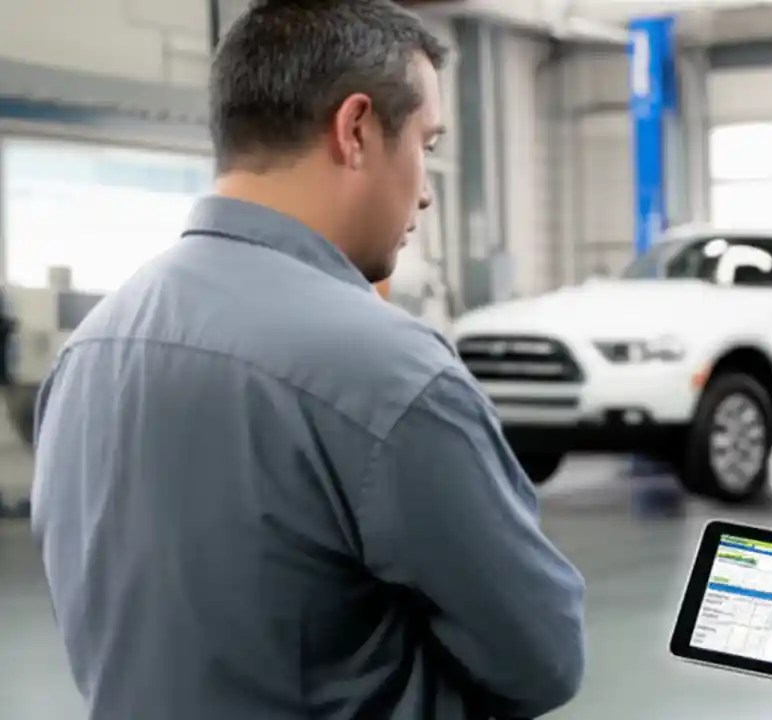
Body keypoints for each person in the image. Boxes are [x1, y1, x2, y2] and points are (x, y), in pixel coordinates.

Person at [30, 2, 585, 719]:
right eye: (426, 144)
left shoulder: (91, 349)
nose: (423, 190)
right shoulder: (392, 374)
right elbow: (543, 659)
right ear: (355, 130)